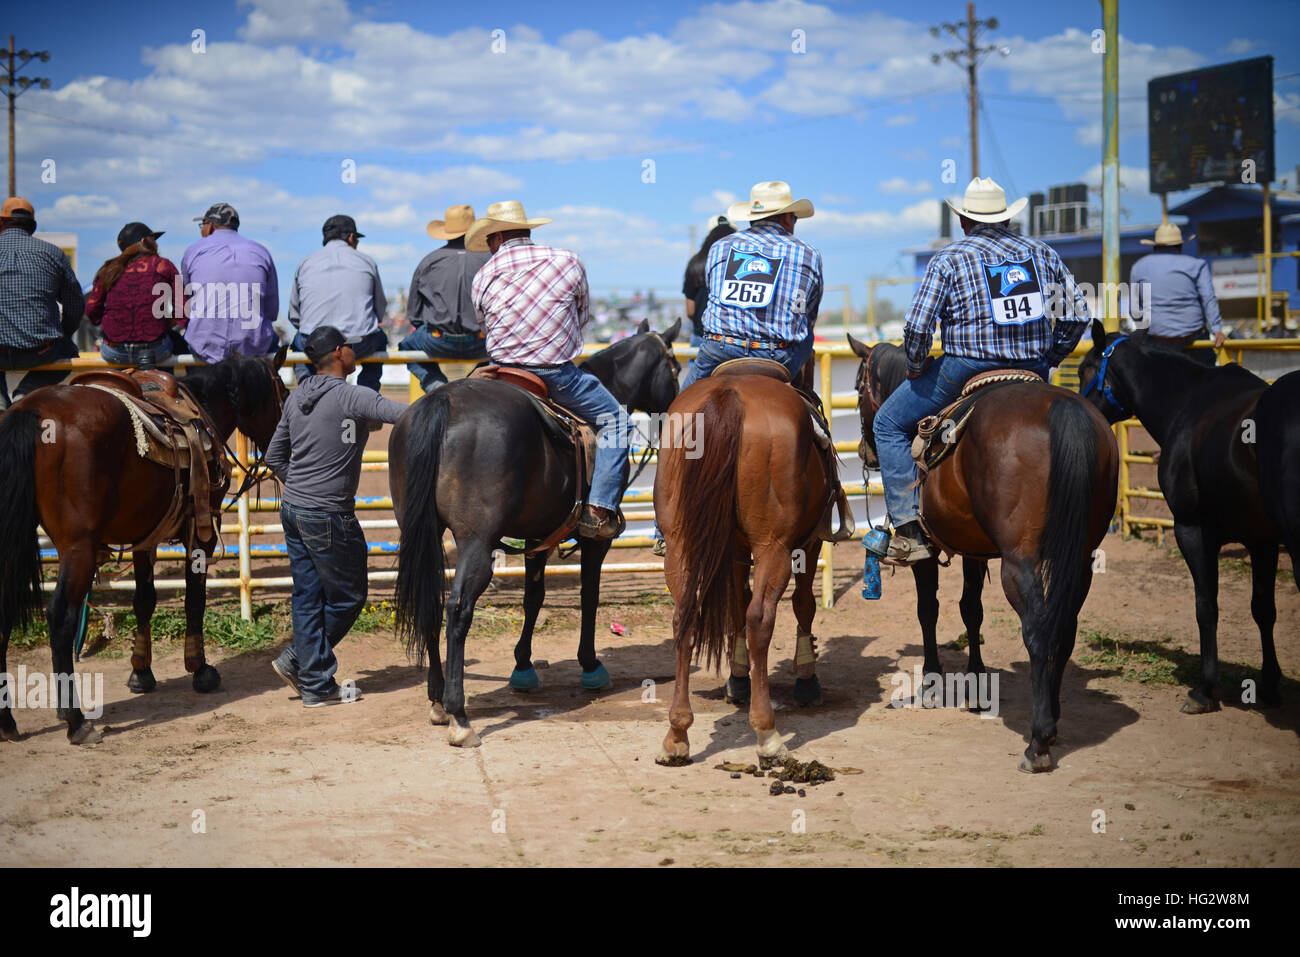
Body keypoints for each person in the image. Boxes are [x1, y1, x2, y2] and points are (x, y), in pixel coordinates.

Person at [875, 176, 1090, 564]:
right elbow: (1078, 315)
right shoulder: (1042, 253)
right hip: (1032, 370)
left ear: (964, 221)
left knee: (887, 424)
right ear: (1007, 219)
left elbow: (918, 327)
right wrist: (1050, 359)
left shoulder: (950, 257)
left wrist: (916, 364)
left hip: (965, 369)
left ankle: (908, 532)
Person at [467, 200, 632, 539]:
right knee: (618, 423)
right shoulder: (568, 260)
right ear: (526, 231)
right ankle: (598, 509)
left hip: (503, 375)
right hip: (555, 374)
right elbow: (583, 315)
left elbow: (483, 324)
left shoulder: (484, 274)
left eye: (488, 242)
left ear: (497, 237)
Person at [264, 325, 408, 707]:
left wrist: (301, 486)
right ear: (341, 353)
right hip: (329, 513)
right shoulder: (353, 396)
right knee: (350, 596)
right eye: (351, 347)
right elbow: (405, 414)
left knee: (307, 594)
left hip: (293, 509)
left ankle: (314, 683)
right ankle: (303, 663)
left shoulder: (296, 399)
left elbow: (274, 456)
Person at [680, 181, 821, 388]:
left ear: (752, 217)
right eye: (795, 217)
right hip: (778, 355)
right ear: (785, 217)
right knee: (806, 335)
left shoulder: (720, 247)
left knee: (677, 414)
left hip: (720, 349)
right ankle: (806, 399)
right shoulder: (808, 253)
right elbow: (808, 315)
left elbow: (713, 294)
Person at [0, 197, 84, 410]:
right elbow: (75, 305)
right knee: (68, 351)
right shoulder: (52, 253)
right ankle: (25, 394)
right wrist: (63, 334)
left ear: (1, 223)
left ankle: (1, 403)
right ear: (32, 226)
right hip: (39, 352)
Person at [288, 214, 387, 391]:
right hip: (356, 343)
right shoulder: (367, 262)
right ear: (351, 237)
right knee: (380, 337)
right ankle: (367, 397)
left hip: (317, 343)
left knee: (298, 341)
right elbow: (380, 312)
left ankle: (307, 390)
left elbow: (295, 317)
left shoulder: (306, 263)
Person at [399, 204, 490, 392]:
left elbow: (414, 315)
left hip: (438, 341)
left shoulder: (429, 261)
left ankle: (436, 385)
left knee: (405, 345)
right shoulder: (490, 259)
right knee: (508, 348)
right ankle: (474, 384)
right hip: (481, 342)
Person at [180, 203, 280, 364]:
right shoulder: (261, 251)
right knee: (272, 339)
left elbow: (186, 301)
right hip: (252, 346)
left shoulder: (193, 251)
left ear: (210, 225)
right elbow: (271, 312)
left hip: (205, 348)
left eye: (202, 225)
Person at [86, 222, 185, 369]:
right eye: (153, 240)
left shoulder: (108, 269)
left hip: (114, 351)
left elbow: (92, 310)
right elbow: (182, 309)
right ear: (145, 241)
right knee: (179, 342)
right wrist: (165, 324)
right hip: (154, 351)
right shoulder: (163, 265)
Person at [1129, 221, 1224, 366]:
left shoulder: (1139, 267)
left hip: (1157, 340)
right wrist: (1217, 329)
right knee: (1207, 376)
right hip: (1194, 338)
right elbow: (1208, 298)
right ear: (1180, 246)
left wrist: (1152, 326)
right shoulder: (1196, 265)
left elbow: (1135, 310)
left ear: (1154, 246)